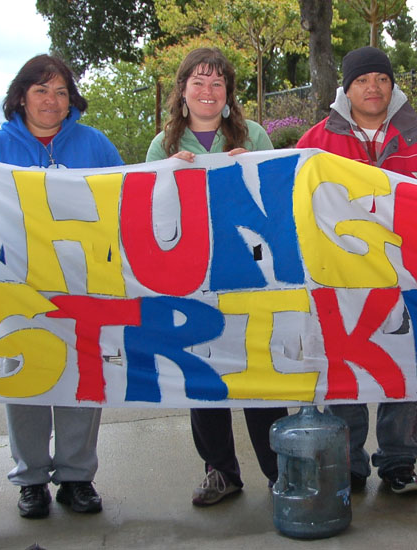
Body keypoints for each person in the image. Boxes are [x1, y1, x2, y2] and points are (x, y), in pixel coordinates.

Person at [0, 54, 123, 518]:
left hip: (82, 287)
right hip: (14, 290)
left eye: (61, 92)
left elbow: (126, 205)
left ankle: (76, 477)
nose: (51, 101)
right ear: (21, 97)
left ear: (72, 99)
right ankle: (30, 480)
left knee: (81, 379)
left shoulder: (96, 147)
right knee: (23, 382)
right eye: (41, 91)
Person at [296, 46, 417, 494]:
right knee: (345, 368)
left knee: (402, 368)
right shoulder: (316, 143)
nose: (373, 87)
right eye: (363, 80)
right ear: (347, 89)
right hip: (341, 277)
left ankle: (399, 462)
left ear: (392, 85)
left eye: (381, 79)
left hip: (407, 276)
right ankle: (348, 462)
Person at [145, 47, 287, 507]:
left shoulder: (257, 136)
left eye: (217, 83)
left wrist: (253, 172)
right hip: (192, 280)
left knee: (260, 375)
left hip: (250, 276)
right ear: (183, 92)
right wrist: (170, 179)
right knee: (204, 377)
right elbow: (149, 215)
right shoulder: (162, 146)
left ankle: (278, 471)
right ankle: (220, 471)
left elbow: (278, 204)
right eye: (198, 82)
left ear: (227, 95)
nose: (207, 91)